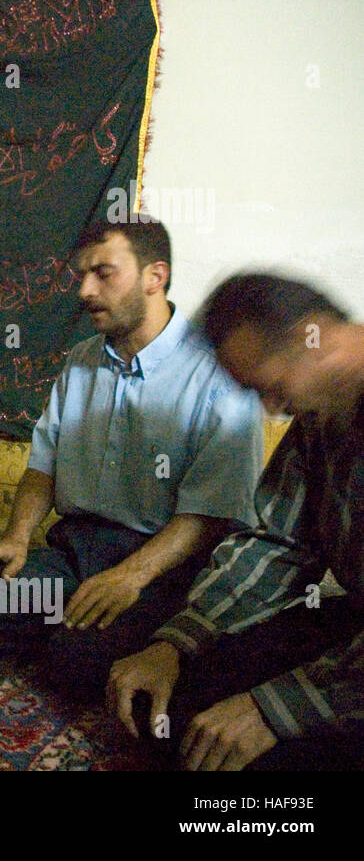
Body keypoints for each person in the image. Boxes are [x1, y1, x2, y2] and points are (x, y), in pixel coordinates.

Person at [0, 217, 264, 698]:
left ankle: (88, 633)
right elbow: (42, 466)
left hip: (162, 566)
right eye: (82, 275)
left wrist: (131, 576)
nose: (86, 290)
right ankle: (70, 623)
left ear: (155, 276)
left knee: (75, 662)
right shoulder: (81, 360)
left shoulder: (217, 371)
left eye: (104, 273)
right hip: (76, 553)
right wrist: (16, 537)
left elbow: (211, 514)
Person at [108, 272, 364, 770]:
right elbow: (277, 544)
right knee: (172, 712)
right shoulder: (321, 408)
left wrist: (278, 707)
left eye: (269, 387)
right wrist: (176, 642)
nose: (271, 411)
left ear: (315, 336)